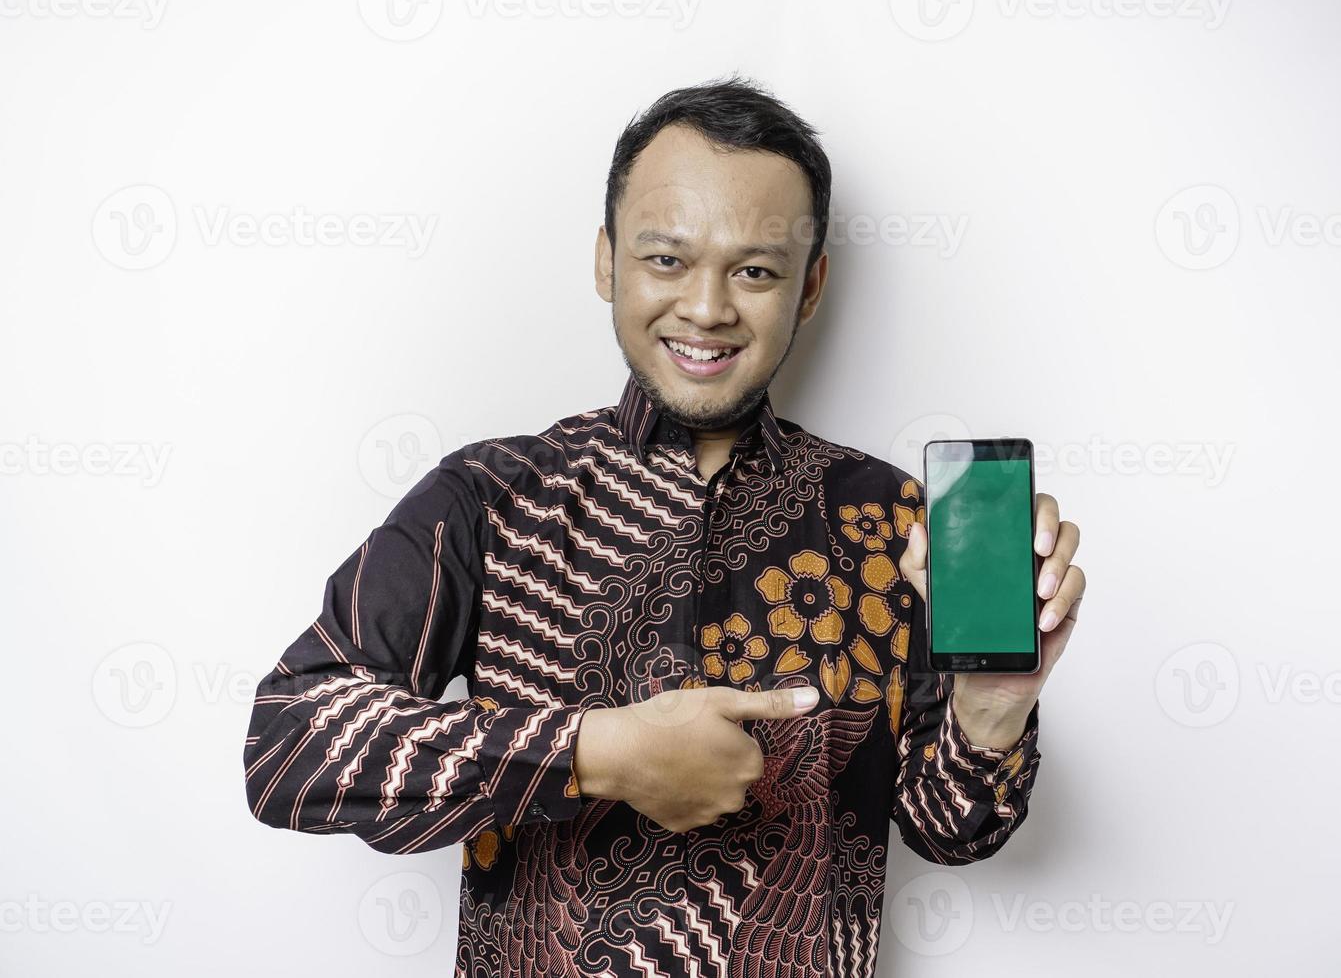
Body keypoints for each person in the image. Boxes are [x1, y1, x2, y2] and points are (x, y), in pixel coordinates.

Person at [242, 75, 1085, 977]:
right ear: (607, 260)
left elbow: (950, 833)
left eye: (756, 269)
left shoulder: (893, 526)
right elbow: (289, 746)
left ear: (810, 288)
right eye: (667, 259)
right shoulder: (490, 497)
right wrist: (591, 752)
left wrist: (993, 714)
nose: (709, 308)